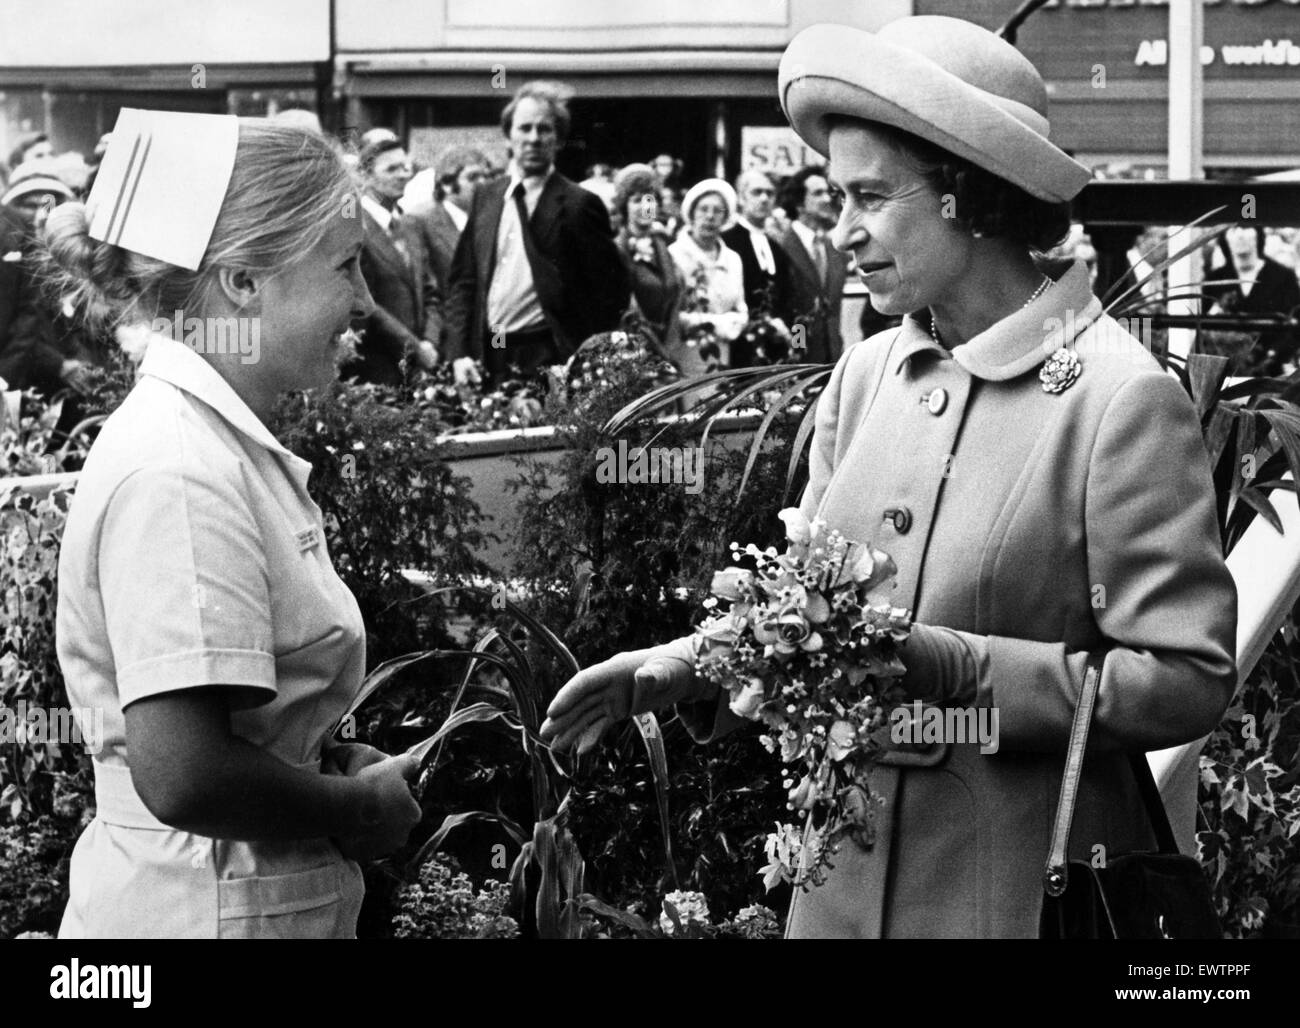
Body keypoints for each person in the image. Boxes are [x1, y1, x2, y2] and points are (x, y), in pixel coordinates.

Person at [542, 16, 1236, 939]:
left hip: (1015, 898)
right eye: (838, 200)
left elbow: (1186, 677)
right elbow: (804, 603)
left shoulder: (1118, 398)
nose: (843, 234)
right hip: (838, 898)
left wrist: (967, 671)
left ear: (968, 195)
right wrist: (678, 668)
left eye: (869, 197)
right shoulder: (866, 375)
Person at [47, 111, 422, 938]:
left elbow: (239, 728)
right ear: (244, 282)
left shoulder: (207, 445)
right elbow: (185, 775)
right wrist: (354, 806)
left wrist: (316, 760)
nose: (362, 302)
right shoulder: (180, 467)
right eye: (345, 266)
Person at [442, 81, 630, 384]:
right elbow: (464, 282)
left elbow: (612, 293)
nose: (534, 138)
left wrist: (583, 361)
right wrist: (458, 352)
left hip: (547, 353)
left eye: (544, 129)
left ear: (558, 139)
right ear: (508, 135)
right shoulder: (486, 197)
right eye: (524, 128)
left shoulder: (579, 205)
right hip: (491, 349)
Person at [343, 137, 441, 387]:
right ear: (365, 175)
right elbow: (366, 303)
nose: (403, 175)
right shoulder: (354, 227)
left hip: (417, 367)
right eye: (391, 169)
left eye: (405, 167)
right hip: (376, 368)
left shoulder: (410, 225)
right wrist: (415, 347)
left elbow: (430, 291)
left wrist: (430, 341)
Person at [0, 162, 98, 395]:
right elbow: (25, 323)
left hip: (80, 384)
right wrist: (57, 364)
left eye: (49, 204)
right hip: (29, 383)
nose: (40, 214)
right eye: (29, 206)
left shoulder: (76, 257)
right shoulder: (15, 251)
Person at [667, 178, 747, 374]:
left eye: (718, 211)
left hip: (722, 358)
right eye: (703, 209)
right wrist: (720, 323)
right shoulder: (673, 255)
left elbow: (742, 313)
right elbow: (672, 317)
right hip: (682, 357)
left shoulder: (733, 259)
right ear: (692, 213)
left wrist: (714, 324)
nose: (710, 216)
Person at [1202, 224, 1300, 376]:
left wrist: (1274, 354)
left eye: (1246, 228)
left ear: (1257, 234)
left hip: (1270, 372)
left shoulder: (1282, 277)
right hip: (1224, 373)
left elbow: (1295, 325)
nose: (1240, 235)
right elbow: (1204, 328)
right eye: (1234, 230)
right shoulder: (1215, 280)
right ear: (1225, 237)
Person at [721, 169, 794, 366]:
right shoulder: (726, 242)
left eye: (770, 194)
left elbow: (793, 303)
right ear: (741, 198)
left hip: (777, 352)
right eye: (756, 192)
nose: (764, 199)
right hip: (738, 352)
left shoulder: (777, 248)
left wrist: (797, 346)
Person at [779, 164, 849, 363]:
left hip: (832, 357)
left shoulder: (834, 248)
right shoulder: (782, 246)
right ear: (799, 203)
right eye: (817, 194)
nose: (827, 199)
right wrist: (798, 348)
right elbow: (792, 311)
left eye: (827, 192)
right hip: (798, 359)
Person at [611, 163, 682, 356]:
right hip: (631, 348)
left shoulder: (664, 244)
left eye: (650, 199)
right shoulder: (617, 248)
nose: (645, 207)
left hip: (667, 343)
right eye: (636, 200)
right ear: (624, 207)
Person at [405, 144, 489, 290]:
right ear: (446, 184)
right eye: (473, 177)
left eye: (486, 177)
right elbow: (424, 285)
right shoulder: (419, 220)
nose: (483, 183)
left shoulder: (489, 219)